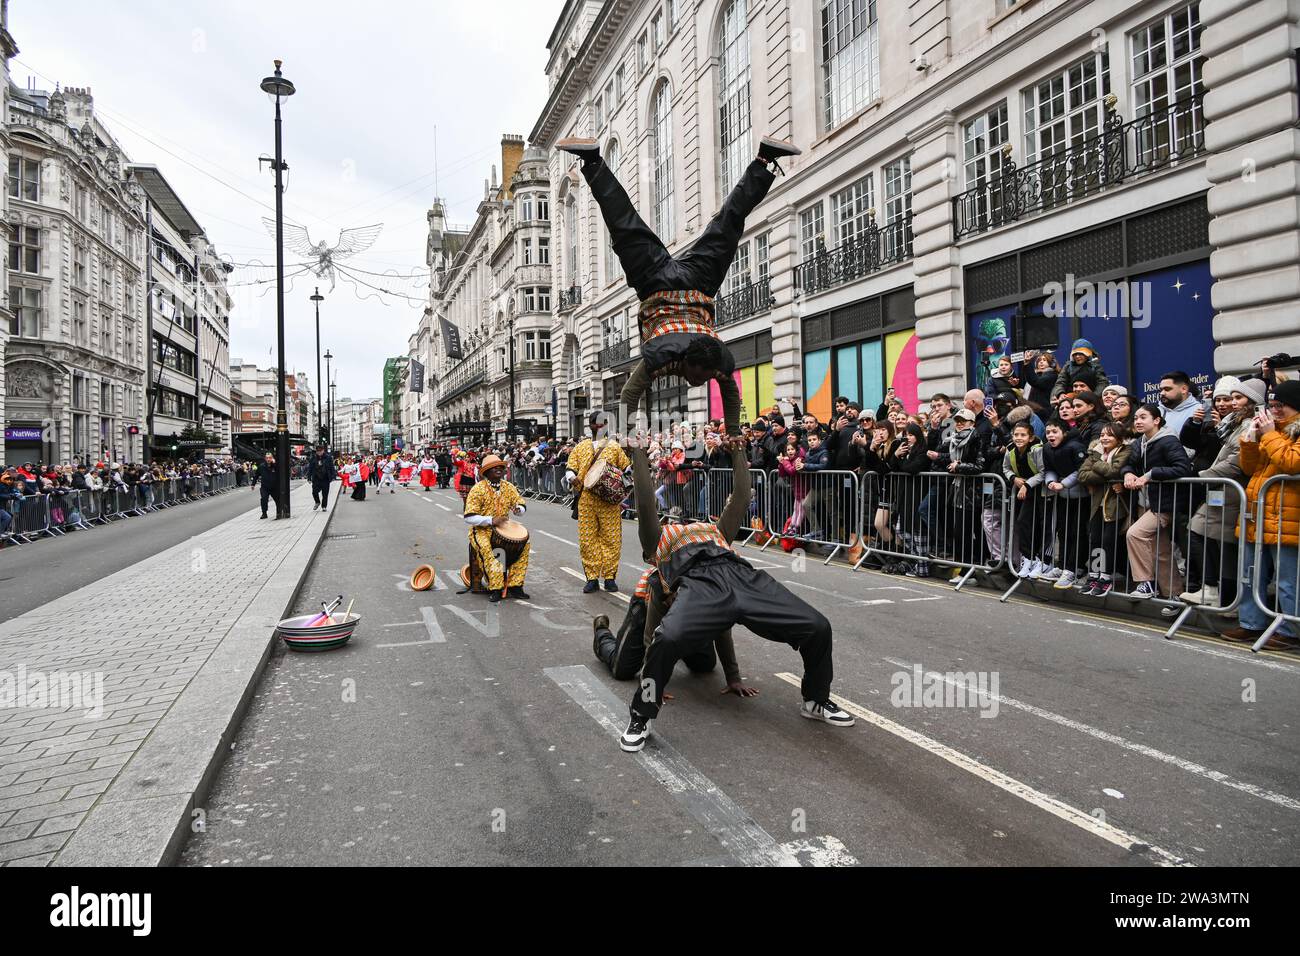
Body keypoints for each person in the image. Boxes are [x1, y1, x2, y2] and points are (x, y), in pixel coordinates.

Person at [616, 433, 854, 753]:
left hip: (740, 574)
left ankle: (816, 700)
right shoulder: (656, 543)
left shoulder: (718, 532)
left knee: (818, 626)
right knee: (667, 638)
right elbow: (645, 501)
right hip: (700, 582)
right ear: (651, 561)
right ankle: (641, 714)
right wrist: (638, 452)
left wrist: (739, 450)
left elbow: (741, 496)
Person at [555, 135, 800, 436]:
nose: (697, 383)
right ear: (689, 364)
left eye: (701, 379)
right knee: (715, 226)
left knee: (712, 225)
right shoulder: (687, 358)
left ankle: (763, 160)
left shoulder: (697, 358)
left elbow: (630, 397)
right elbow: (633, 396)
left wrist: (628, 437)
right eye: (700, 379)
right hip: (688, 285)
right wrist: (733, 433)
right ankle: (762, 160)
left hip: (670, 284)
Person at [592, 567, 757, 699]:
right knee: (621, 671)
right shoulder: (663, 587)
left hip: (686, 608)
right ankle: (602, 633)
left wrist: (734, 678)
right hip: (646, 603)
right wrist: (654, 683)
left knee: (704, 665)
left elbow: (722, 630)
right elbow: (651, 636)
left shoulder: (715, 592)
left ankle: (673, 651)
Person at [1222, 379, 1300, 648]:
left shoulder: (1290, 431)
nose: (1275, 411)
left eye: (1281, 406)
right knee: (1251, 573)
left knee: (1288, 579)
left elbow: (1292, 463)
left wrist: (1268, 435)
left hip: (1288, 517)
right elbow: (1249, 468)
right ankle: (1251, 623)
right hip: (1259, 511)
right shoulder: (1271, 430)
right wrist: (1250, 441)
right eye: (1272, 405)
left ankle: (1291, 630)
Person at [1180, 378, 1259, 609]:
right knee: (1204, 535)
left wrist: (1202, 476)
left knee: (1209, 537)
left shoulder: (1248, 425)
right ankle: (1214, 590)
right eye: (1228, 398)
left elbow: (1236, 463)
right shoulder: (1234, 424)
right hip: (1222, 489)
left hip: (1232, 491)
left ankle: (1217, 592)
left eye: (1237, 398)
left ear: (1252, 401)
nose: (1232, 403)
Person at [1123, 404, 1194, 599]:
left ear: (1156, 420)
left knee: (1135, 534)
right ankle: (1174, 594)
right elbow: (1130, 463)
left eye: (1143, 417)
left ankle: (1146, 582)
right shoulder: (1140, 443)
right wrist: (1128, 473)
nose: (1137, 421)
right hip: (1146, 501)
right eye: (1136, 417)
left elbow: (1183, 468)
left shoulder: (1168, 441)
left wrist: (1151, 474)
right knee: (1160, 550)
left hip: (1165, 502)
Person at [566, 411, 632, 593]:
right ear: (591, 425)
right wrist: (571, 477)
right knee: (588, 539)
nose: (601, 426)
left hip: (608, 500)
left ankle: (610, 577)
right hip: (586, 498)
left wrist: (624, 479)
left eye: (604, 423)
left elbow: (626, 468)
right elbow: (570, 468)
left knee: (611, 538)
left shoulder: (613, 447)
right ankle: (592, 577)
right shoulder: (580, 447)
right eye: (598, 423)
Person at [462, 455, 530, 604]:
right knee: (488, 551)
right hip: (481, 530)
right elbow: (468, 517)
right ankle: (496, 588)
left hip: (503, 528)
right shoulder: (478, 489)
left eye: (500, 466)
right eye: (494, 467)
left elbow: (521, 503)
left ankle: (515, 585)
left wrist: (519, 509)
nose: (498, 469)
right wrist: (490, 520)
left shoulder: (508, 487)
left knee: (525, 545)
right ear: (486, 471)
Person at [1077, 422, 1133, 597]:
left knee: (1108, 541)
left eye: (1109, 435)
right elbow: (1082, 475)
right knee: (1095, 539)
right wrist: (1103, 470)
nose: (1104, 438)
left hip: (1114, 504)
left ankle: (1105, 578)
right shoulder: (1095, 451)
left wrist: (1097, 465)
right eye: (1102, 435)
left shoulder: (1125, 451)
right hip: (1097, 504)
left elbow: (1115, 471)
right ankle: (1093, 576)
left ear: (1118, 438)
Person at [307, 443, 336, 511]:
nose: (319, 452)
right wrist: (309, 478)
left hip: (325, 478)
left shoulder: (328, 458)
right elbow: (310, 469)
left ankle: (324, 506)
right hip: (316, 478)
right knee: (314, 492)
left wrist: (333, 476)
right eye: (318, 451)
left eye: (320, 451)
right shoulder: (313, 458)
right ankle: (317, 502)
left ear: (323, 451)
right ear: (316, 451)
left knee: (325, 493)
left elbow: (332, 467)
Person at [258, 452, 281, 519]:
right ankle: (264, 513)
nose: (268, 459)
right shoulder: (262, 466)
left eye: (270, 458)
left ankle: (278, 513)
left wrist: (274, 464)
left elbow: (279, 470)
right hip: (264, 487)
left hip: (274, 487)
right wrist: (253, 484)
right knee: (264, 499)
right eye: (267, 458)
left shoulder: (275, 465)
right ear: (265, 458)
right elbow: (256, 475)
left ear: (272, 458)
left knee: (278, 500)